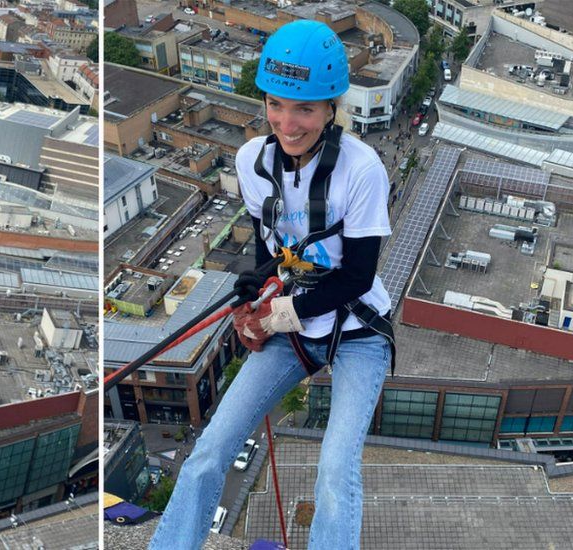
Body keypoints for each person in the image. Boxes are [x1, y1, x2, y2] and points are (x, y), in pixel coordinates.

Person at [148, 20, 394, 550]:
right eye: (276, 105)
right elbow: (274, 252)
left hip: (358, 329)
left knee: (334, 469)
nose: (287, 122)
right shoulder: (251, 162)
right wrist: (255, 293)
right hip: (296, 324)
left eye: (304, 108)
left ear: (331, 108)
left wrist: (276, 314)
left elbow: (357, 275)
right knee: (209, 452)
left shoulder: (362, 170)